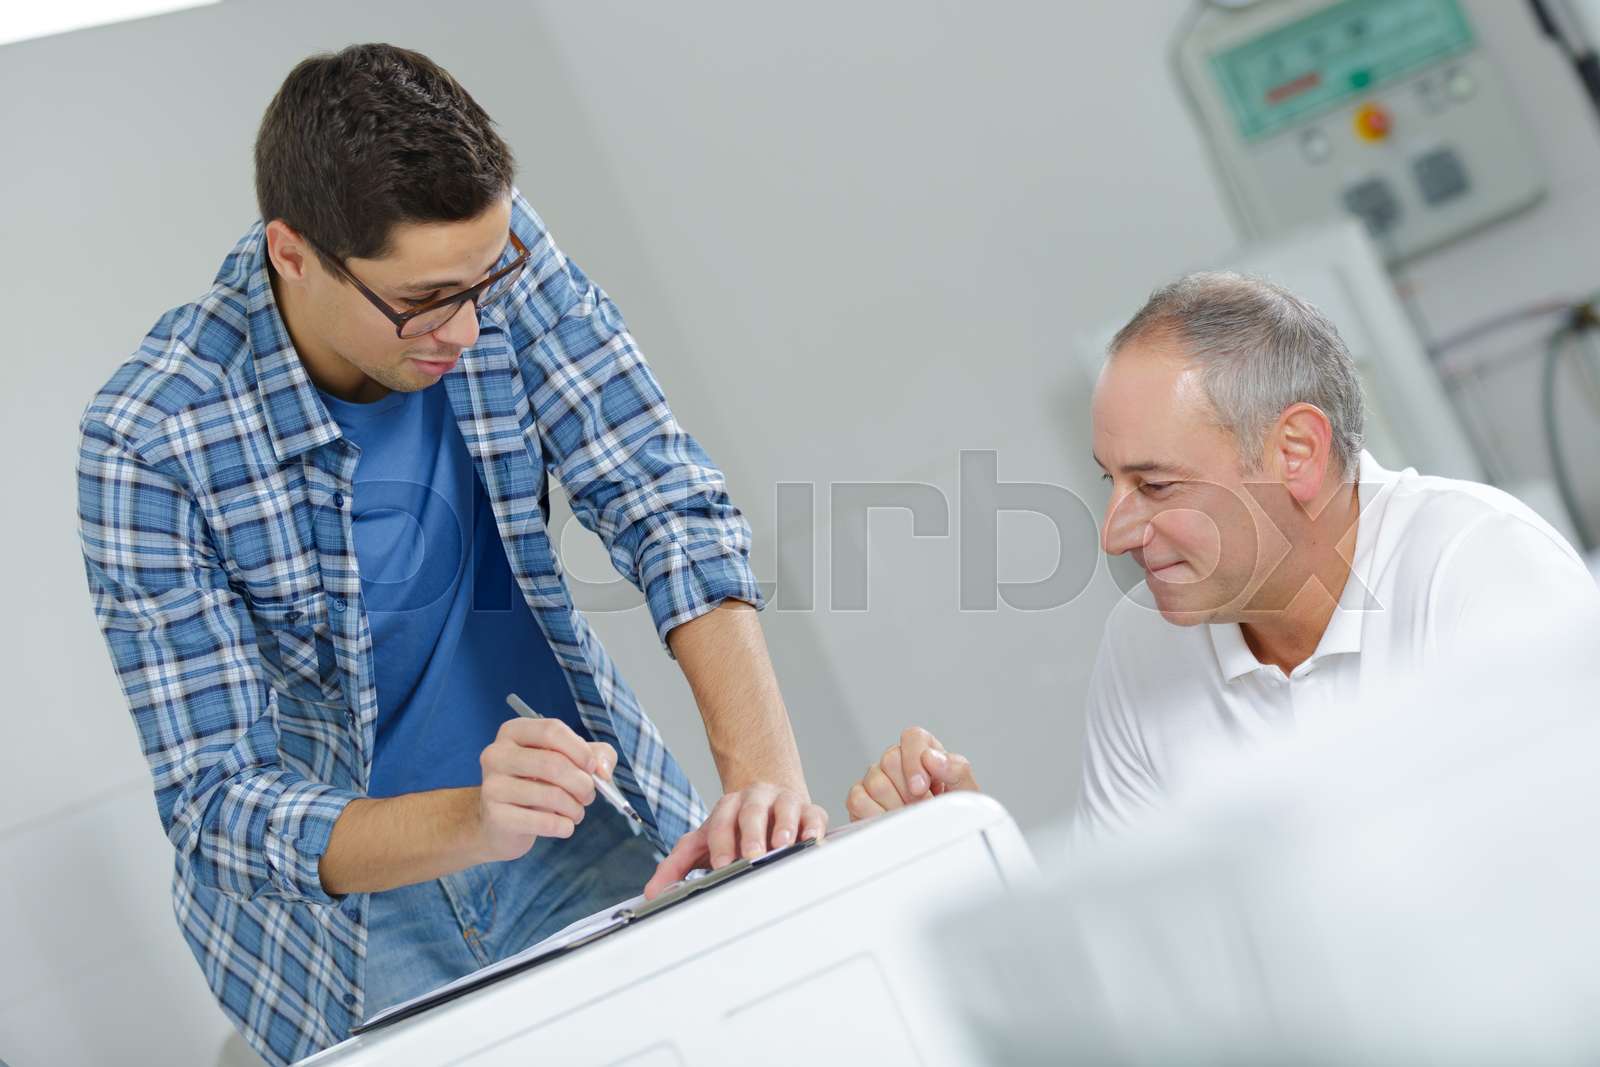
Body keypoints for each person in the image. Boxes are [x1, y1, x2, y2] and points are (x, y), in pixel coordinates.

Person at [77, 44, 821, 1066]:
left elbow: (658, 493)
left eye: (487, 281)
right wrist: (475, 814)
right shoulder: (150, 438)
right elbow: (219, 801)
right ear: (291, 253)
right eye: (425, 302)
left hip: (575, 831)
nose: (470, 326)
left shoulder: (483, 255)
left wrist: (763, 786)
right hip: (343, 934)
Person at [847, 271, 1600, 832]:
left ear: (1296, 452)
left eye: (1158, 485)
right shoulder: (1143, 645)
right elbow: (1146, 968)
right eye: (1112, 481)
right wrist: (965, 842)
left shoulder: (1477, 571)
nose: (1114, 533)